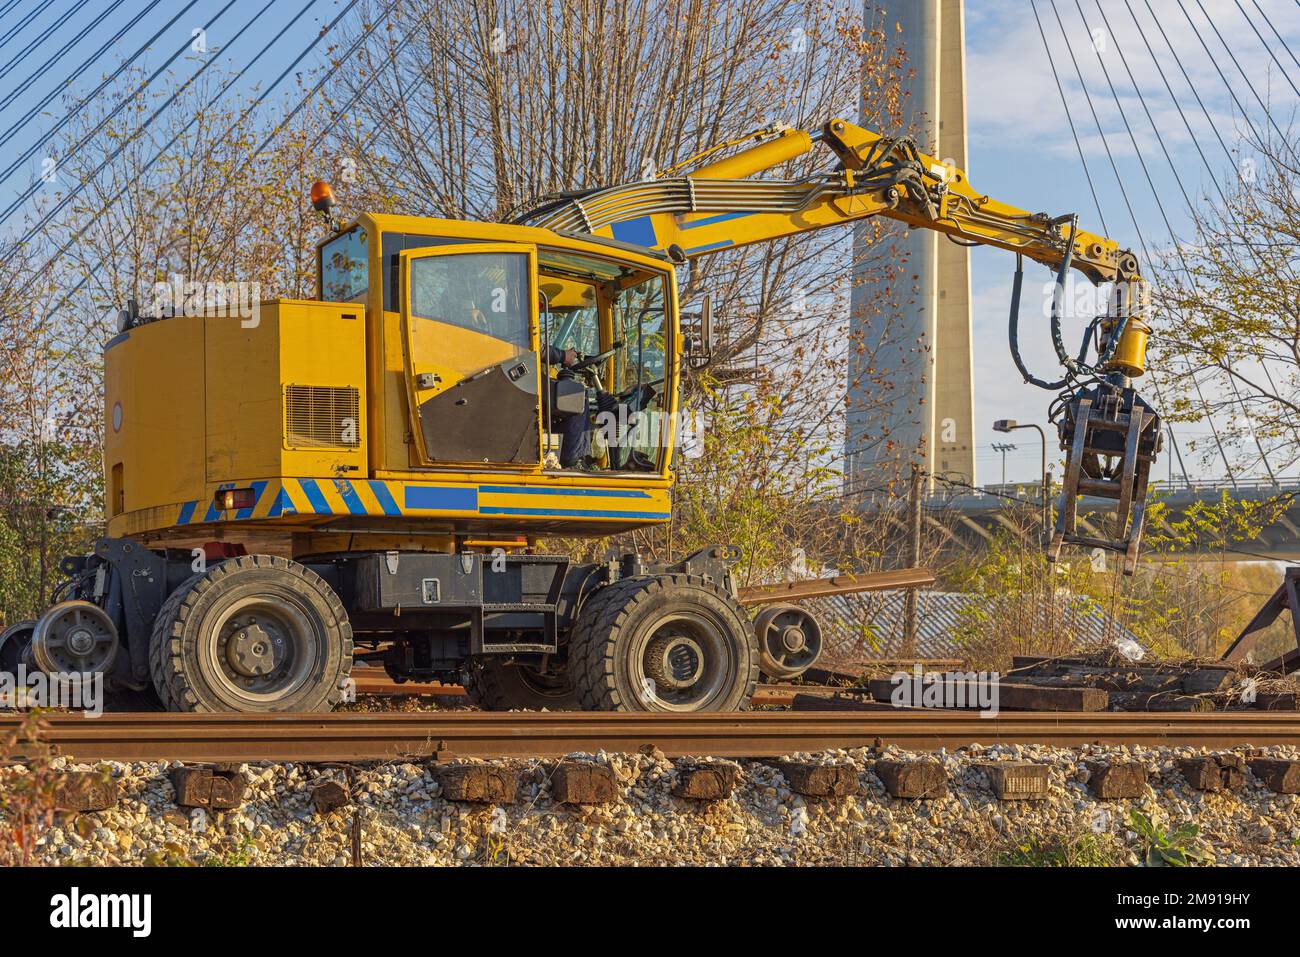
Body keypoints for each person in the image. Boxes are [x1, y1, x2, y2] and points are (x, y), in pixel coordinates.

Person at [543, 344, 655, 470]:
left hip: (533, 385)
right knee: (576, 396)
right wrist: (562, 355)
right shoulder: (523, 339)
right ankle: (574, 461)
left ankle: (576, 458)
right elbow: (537, 348)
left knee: (576, 397)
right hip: (531, 386)